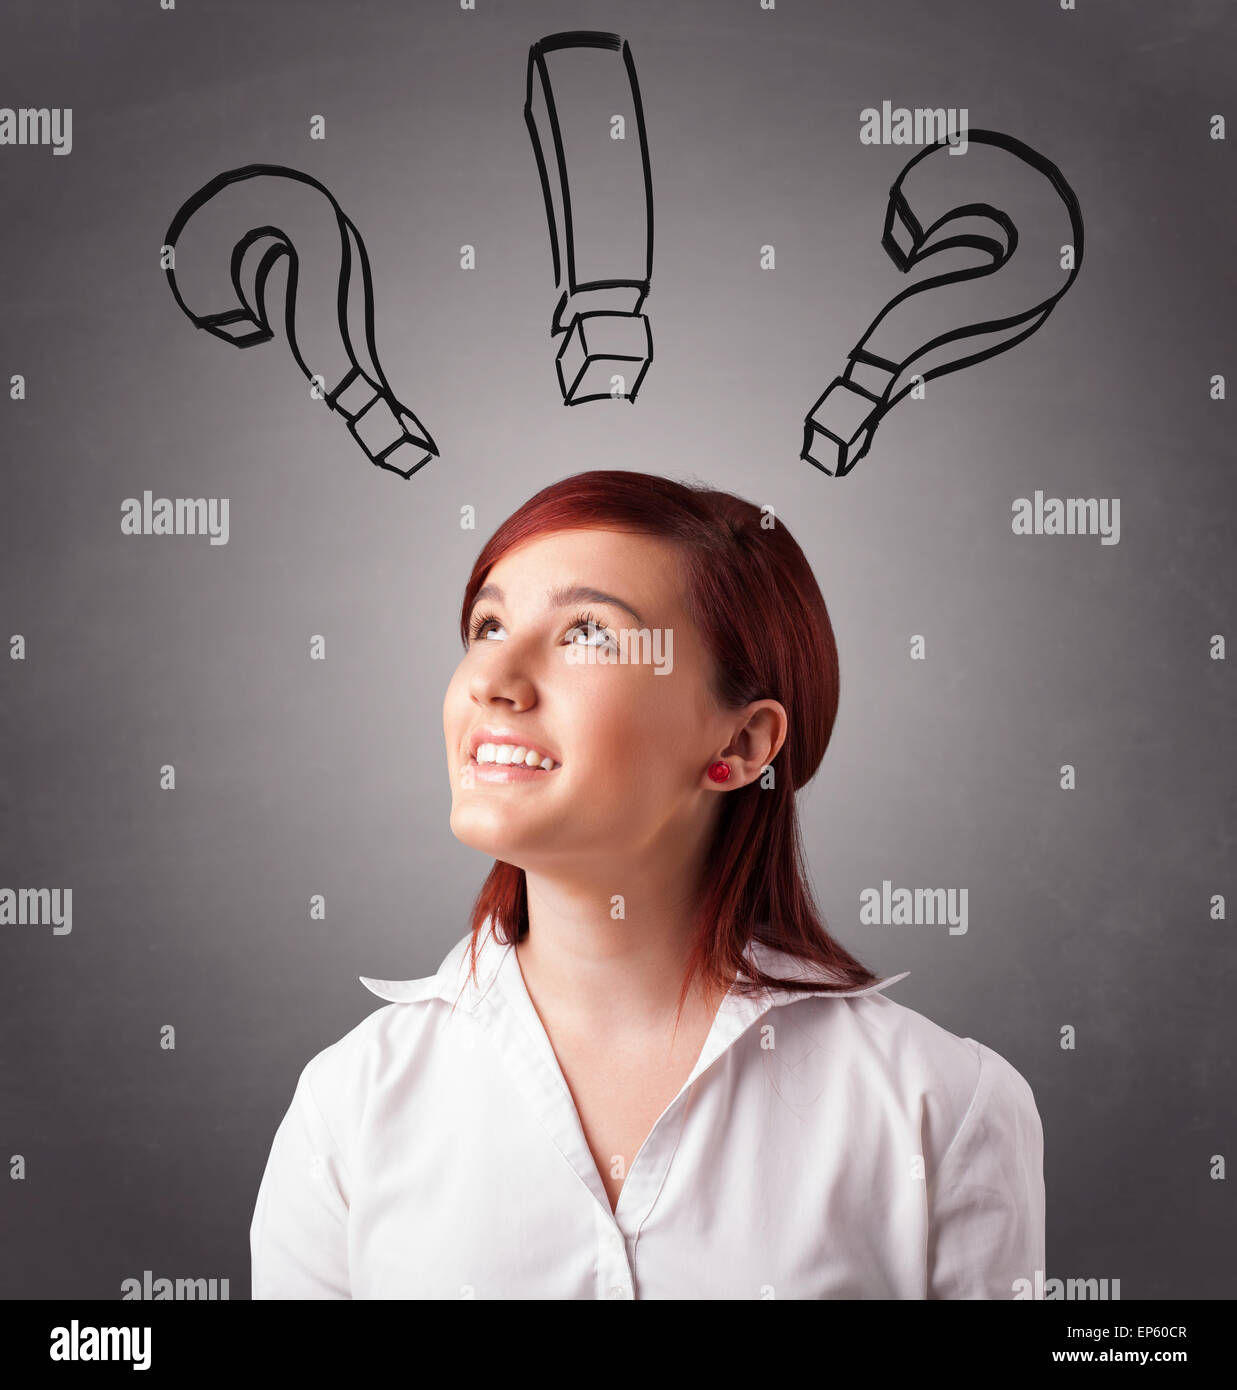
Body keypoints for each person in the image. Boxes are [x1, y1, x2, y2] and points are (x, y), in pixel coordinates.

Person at [250, 469, 1044, 1299]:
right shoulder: (347, 1105)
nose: (492, 679)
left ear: (739, 743)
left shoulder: (940, 1108)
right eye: (488, 624)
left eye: (588, 634)